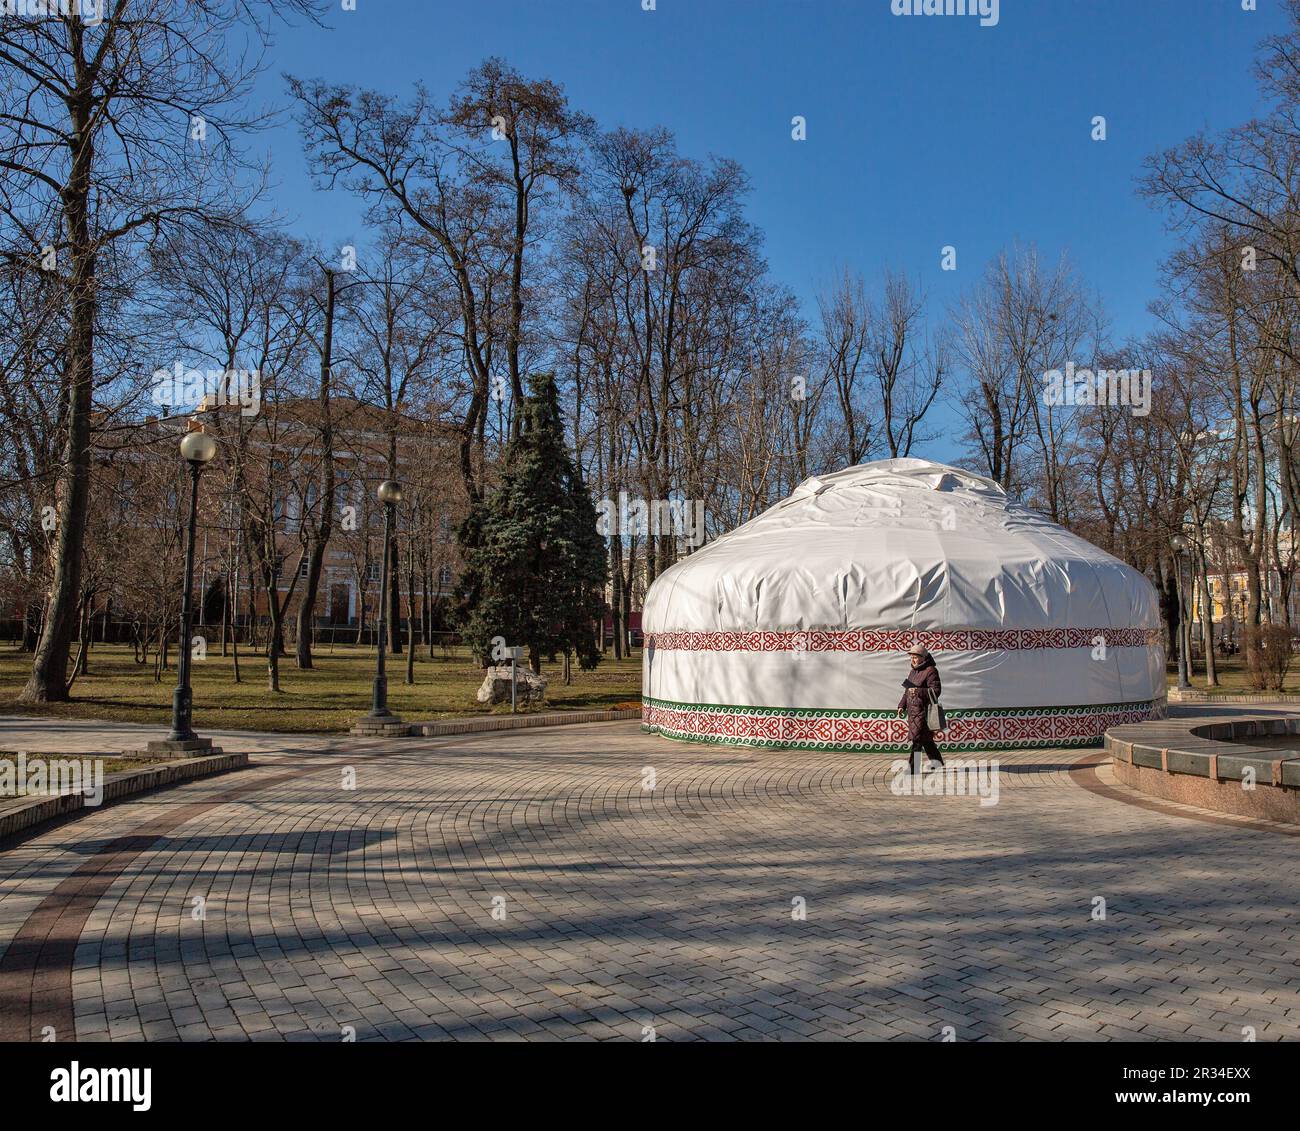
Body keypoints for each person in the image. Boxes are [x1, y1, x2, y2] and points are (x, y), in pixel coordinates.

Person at [897, 642, 944, 771]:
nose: (913, 659)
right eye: (911, 657)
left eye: (915, 657)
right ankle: (937, 763)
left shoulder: (931, 671)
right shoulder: (913, 671)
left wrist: (919, 691)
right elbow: (907, 691)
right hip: (913, 712)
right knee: (926, 741)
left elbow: (936, 690)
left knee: (917, 740)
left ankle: (913, 769)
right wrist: (902, 705)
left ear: (923, 657)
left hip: (924, 712)